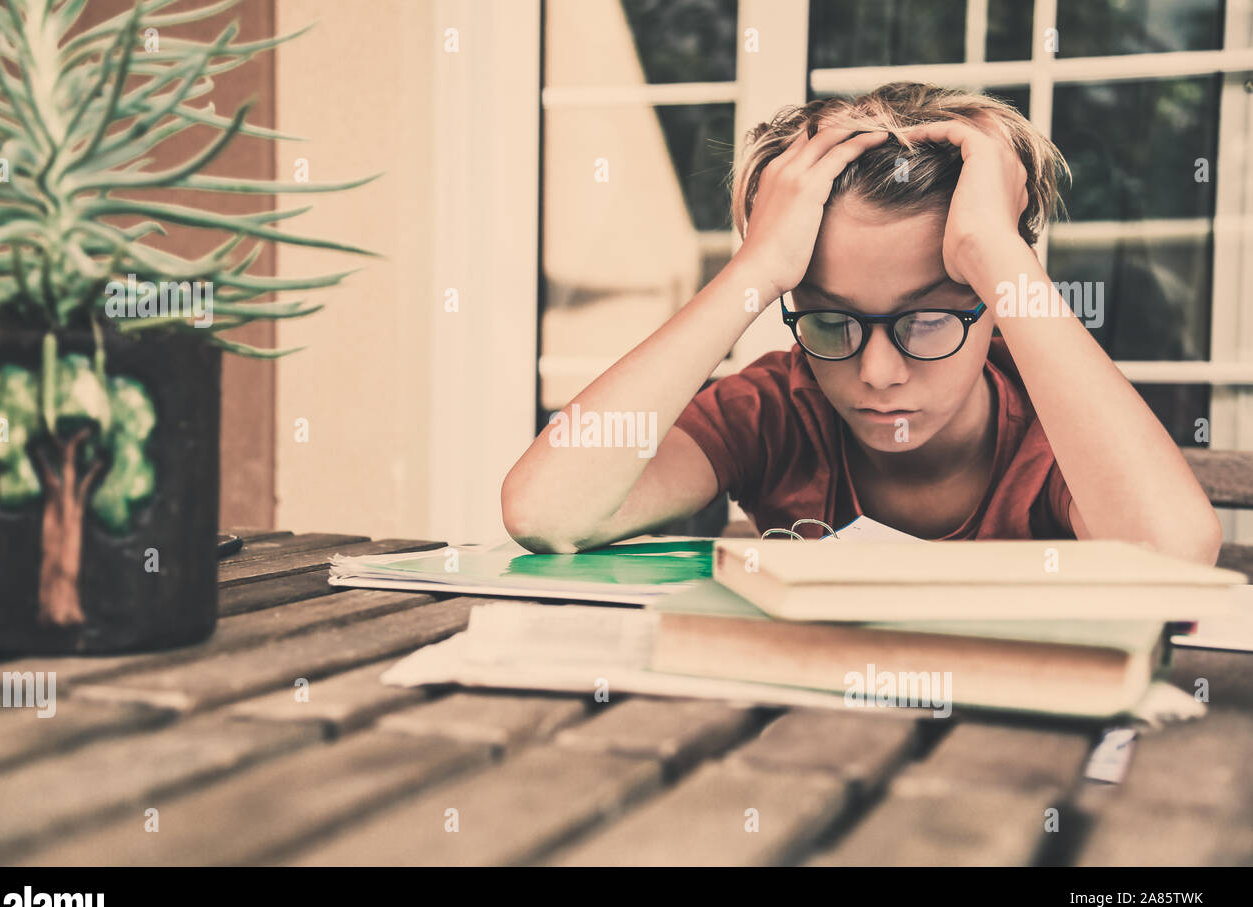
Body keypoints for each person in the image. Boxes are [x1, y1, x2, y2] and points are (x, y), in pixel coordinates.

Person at [501, 82, 1222, 564]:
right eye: (829, 322)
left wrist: (999, 252)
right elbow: (546, 510)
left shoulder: (1058, 430)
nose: (877, 373)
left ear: (996, 302)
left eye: (931, 319)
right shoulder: (775, 411)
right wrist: (751, 273)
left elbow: (1173, 553)